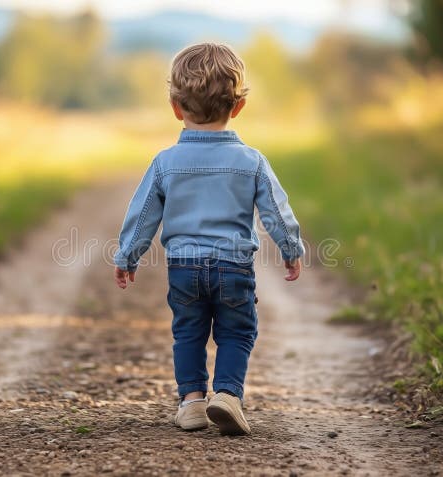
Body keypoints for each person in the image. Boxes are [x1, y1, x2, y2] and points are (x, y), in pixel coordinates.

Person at [113, 43, 304, 436]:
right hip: (234, 267)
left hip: (183, 269)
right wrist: (291, 249)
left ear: (175, 106)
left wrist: (127, 256)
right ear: (238, 107)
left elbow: (143, 215)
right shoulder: (251, 161)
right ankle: (228, 395)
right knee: (236, 330)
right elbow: (277, 213)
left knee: (188, 332)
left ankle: (192, 403)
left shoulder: (165, 162)